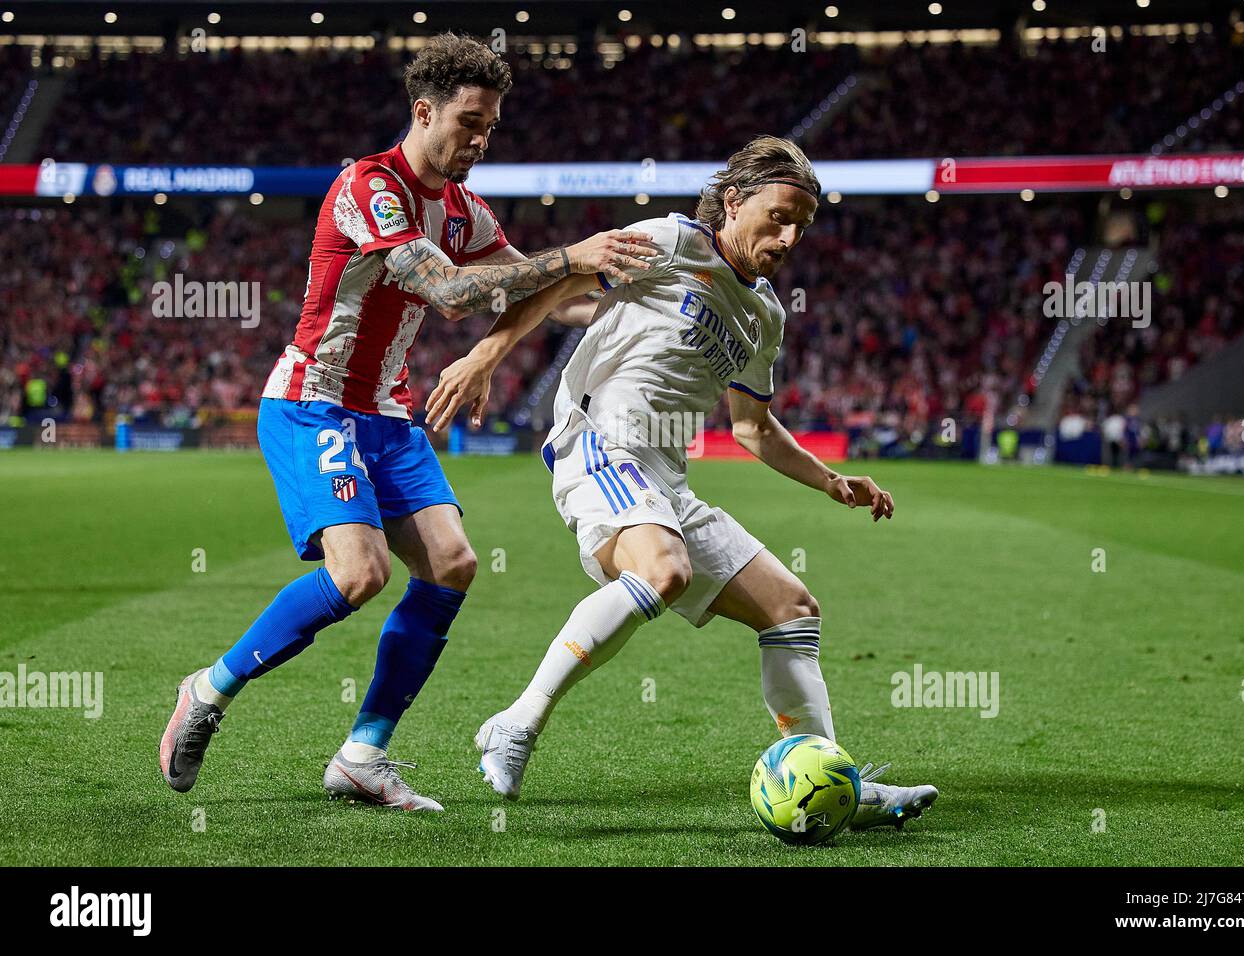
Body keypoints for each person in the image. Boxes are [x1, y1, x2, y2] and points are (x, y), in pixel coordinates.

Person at [160, 33, 656, 810]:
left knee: (453, 563)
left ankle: (364, 754)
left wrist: (634, 313)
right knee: (359, 575)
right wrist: (571, 256)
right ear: (422, 112)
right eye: (467, 122)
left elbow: (527, 293)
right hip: (312, 398)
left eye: (490, 127)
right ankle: (209, 689)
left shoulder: (466, 209)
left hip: (386, 413)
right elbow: (453, 288)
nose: (480, 141)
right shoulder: (371, 187)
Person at [428, 135, 938, 830]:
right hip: (598, 446)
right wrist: (485, 357)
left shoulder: (765, 316)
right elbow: (562, 284)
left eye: (802, 226)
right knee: (662, 570)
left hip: (664, 479)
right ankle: (516, 723)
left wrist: (829, 481)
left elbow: (753, 427)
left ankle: (831, 778)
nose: (789, 237)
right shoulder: (668, 240)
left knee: (792, 610)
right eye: (779, 216)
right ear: (733, 201)